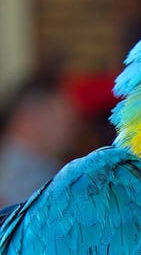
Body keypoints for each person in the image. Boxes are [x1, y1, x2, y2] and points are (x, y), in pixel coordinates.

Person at [0, 70, 81, 206]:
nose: (72, 126)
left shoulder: (41, 168)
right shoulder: (15, 174)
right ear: (28, 118)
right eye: (59, 116)